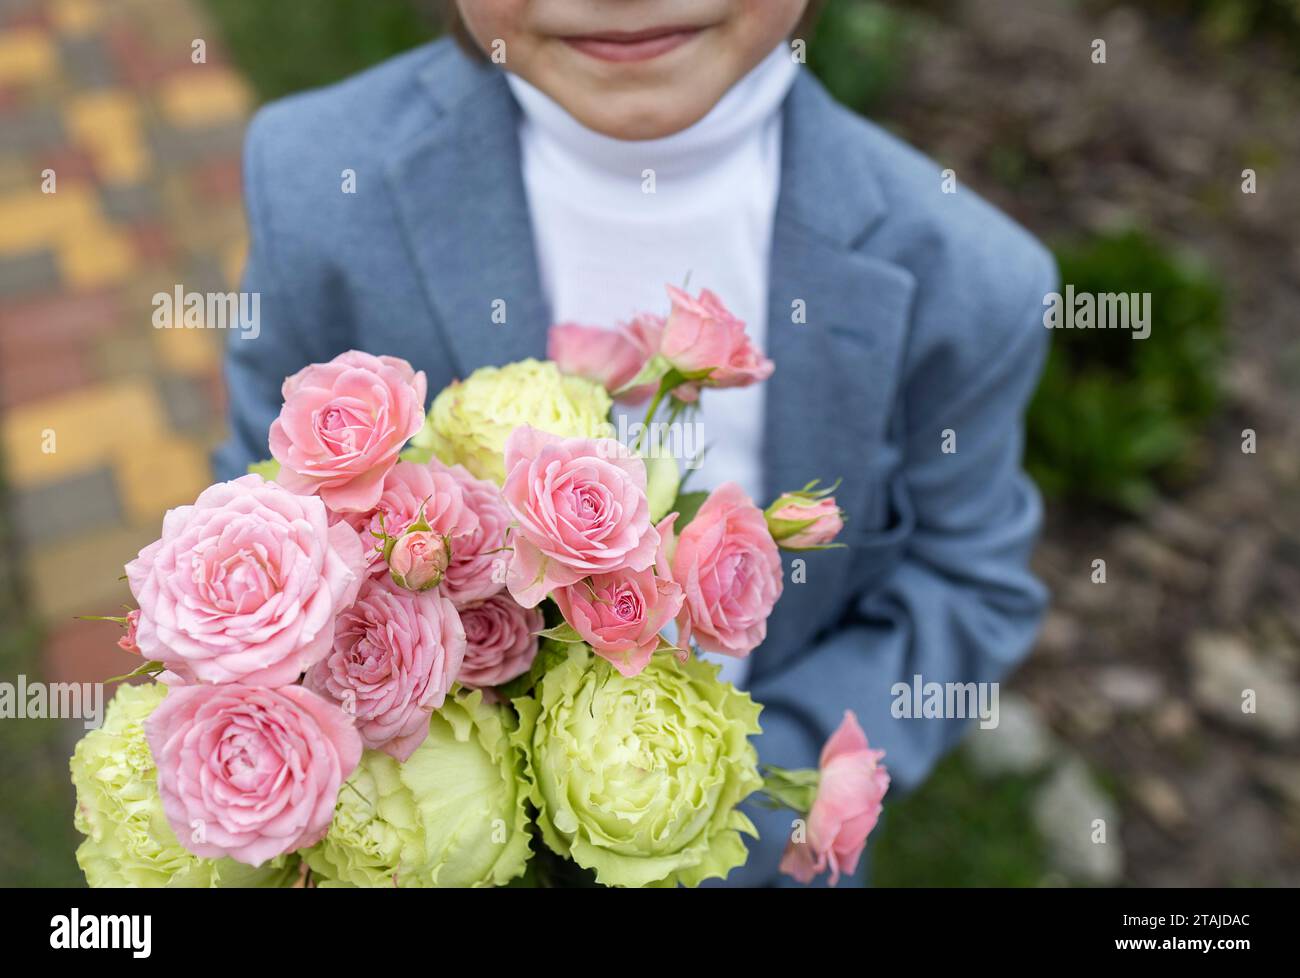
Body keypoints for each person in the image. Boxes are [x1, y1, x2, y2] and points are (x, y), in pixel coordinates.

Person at [217, 0, 1056, 886]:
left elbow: (966, 585)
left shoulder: (970, 282)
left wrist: (729, 795)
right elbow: (262, 517)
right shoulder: (315, 184)